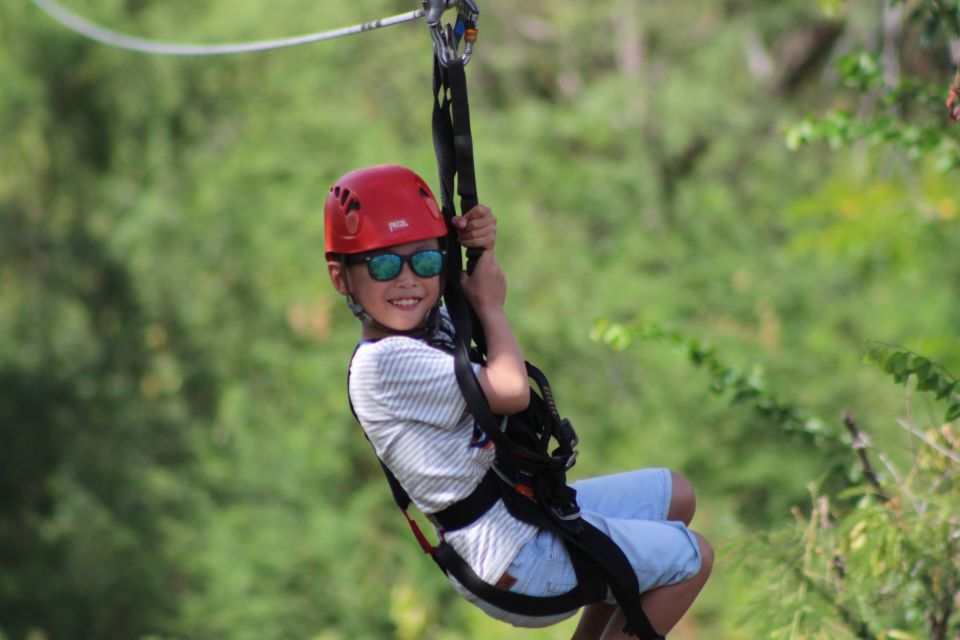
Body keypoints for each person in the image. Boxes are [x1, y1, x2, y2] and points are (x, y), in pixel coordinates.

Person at [325, 164, 713, 639]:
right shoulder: (385, 364)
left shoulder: (425, 327)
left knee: (676, 495)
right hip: (511, 558)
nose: (408, 280)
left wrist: (475, 242)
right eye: (384, 264)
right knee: (692, 558)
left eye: (424, 261)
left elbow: (460, 290)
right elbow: (510, 391)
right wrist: (491, 307)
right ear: (341, 278)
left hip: (520, 512)